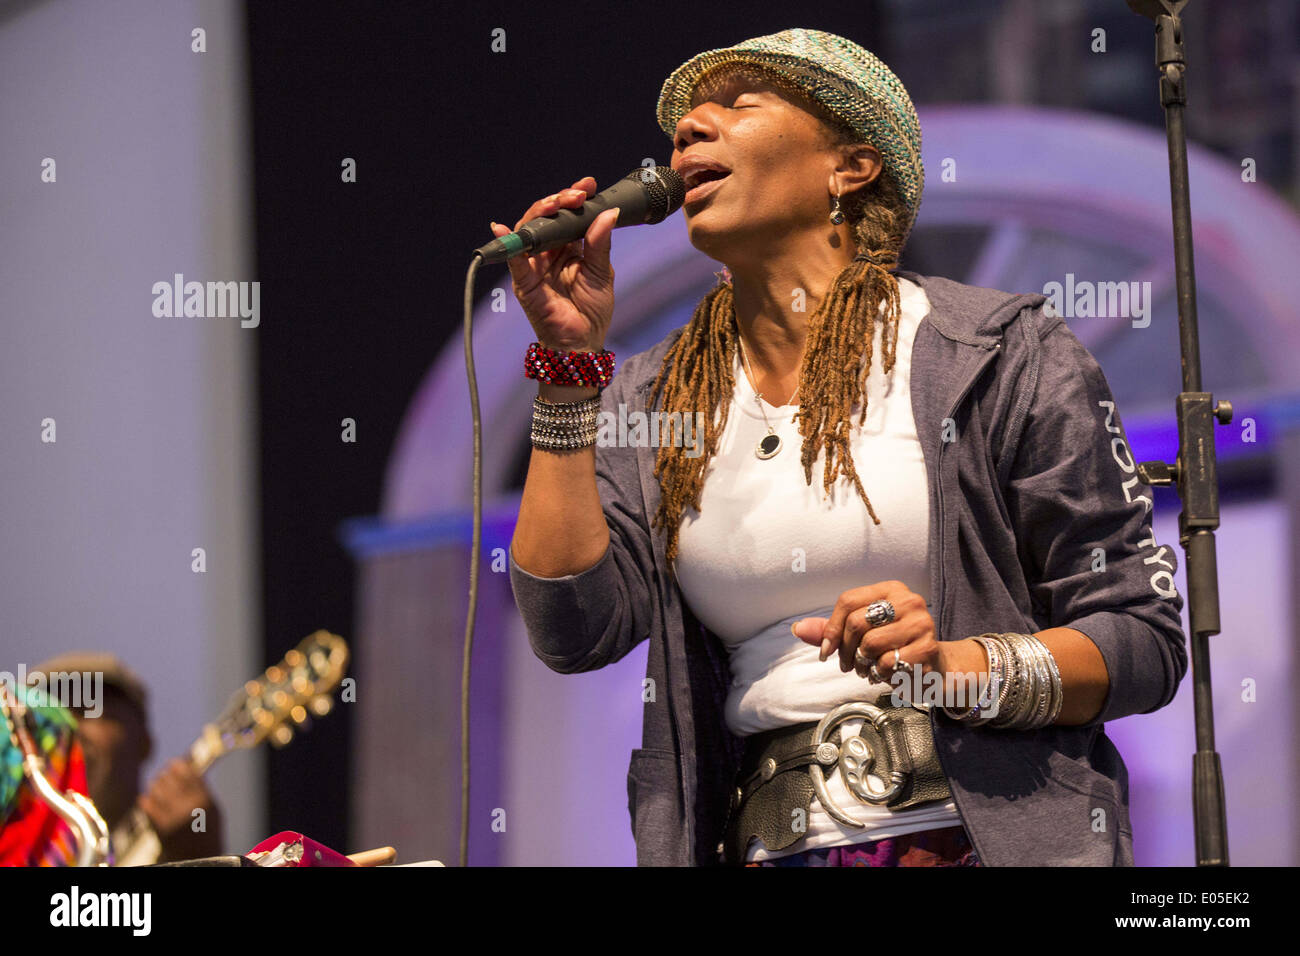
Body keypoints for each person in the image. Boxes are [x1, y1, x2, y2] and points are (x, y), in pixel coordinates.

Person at [501, 28, 1187, 866]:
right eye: (683, 121)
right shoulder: (654, 400)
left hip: (976, 841)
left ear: (851, 166)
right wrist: (570, 373)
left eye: (737, 104)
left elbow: (1142, 638)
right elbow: (575, 631)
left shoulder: (1001, 354)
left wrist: (961, 666)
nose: (688, 129)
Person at [30, 652, 224, 864]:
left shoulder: (172, 841)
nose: (68, 729)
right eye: (46, 718)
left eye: (90, 710)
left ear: (144, 743)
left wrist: (197, 857)